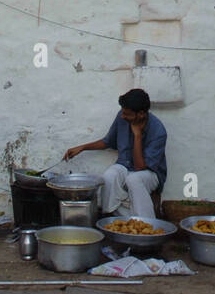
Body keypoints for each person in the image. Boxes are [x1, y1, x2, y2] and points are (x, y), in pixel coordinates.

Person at [63, 89, 167, 218]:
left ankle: (146, 223)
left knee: (134, 179)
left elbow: (140, 167)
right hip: (125, 165)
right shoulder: (122, 116)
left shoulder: (158, 131)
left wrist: (137, 136)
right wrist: (83, 147)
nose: (123, 116)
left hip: (150, 173)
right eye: (123, 112)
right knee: (109, 176)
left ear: (141, 114)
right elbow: (108, 142)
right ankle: (121, 220)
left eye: (127, 114)